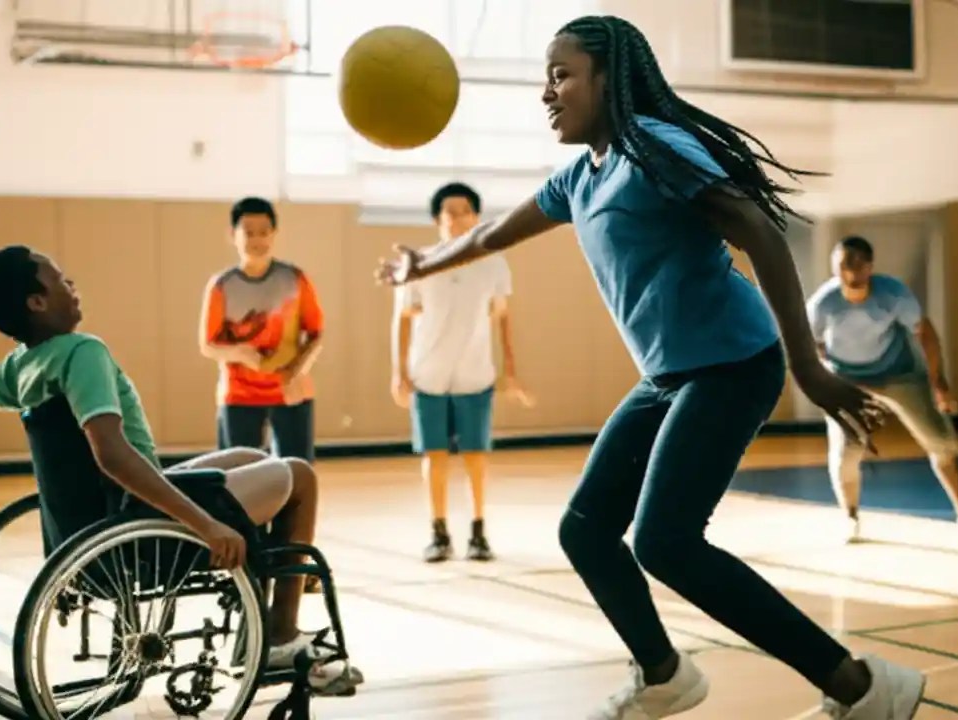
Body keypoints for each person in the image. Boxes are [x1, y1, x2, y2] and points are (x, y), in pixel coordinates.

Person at [375, 14, 923, 720]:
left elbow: (758, 227)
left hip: (734, 362)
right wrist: (424, 261)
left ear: (610, 79)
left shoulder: (657, 149)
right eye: (546, 77)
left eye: (562, 75)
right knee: (586, 529)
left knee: (665, 541)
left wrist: (809, 368)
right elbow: (489, 233)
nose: (548, 92)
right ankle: (663, 674)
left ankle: (863, 687)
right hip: (672, 374)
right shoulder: (581, 176)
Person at [0, 246, 355, 689]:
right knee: (300, 477)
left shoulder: (25, 365)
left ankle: (258, 628)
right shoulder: (81, 354)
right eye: (61, 280)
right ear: (37, 302)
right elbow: (113, 455)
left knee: (254, 459)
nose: (72, 286)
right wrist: (205, 524)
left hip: (93, 522)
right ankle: (279, 638)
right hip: (136, 526)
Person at [808, 236, 958, 543]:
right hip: (847, 379)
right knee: (846, 452)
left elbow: (924, 332)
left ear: (868, 268)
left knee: (941, 442)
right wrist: (827, 379)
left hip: (897, 372)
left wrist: (938, 381)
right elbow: (809, 342)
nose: (847, 273)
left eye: (853, 265)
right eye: (840, 266)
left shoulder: (893, 294)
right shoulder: (824, 302)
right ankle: (849, 519)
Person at [391, 182, 531, 563]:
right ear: (437, 219)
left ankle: (478, 532)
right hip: (429, 374)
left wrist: (511, 370)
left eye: (464, 210)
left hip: (475, 373)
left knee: (475, 456)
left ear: (476, 217)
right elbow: (402, 319)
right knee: (434, 455)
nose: (456, 218)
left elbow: (502, 318)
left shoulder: (494, 262)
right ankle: (438, 533)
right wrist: (399, 372)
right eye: (448, 212)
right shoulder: (418, 263)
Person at [200, 196, 324, 464]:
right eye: (248, 232)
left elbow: (316, 334)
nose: (257, 240)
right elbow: (207, 344)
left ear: (274, 234)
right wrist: (242, 354)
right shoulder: (222, 285)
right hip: (239, 395)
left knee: (297, 473)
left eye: (264, 232)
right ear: (233, 235)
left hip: (290, 393)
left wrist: (295, 371)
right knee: (239, 476)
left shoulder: (294, 279)